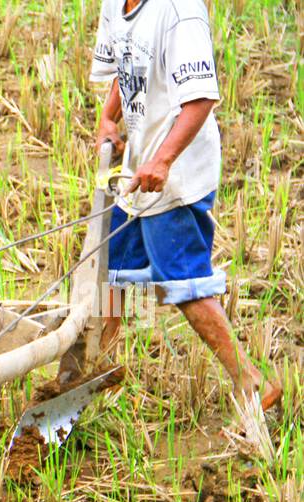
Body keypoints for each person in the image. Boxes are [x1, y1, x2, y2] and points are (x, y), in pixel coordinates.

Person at [87, 0, 281, 410]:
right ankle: (100, 372)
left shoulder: (180, 9)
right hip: (139, 165)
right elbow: (128, 67)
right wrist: (108, 118)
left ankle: (251, 381)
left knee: (184, 283)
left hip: (179, 172)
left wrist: (163, 161)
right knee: (112, 272)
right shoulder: (115, 4)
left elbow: (200, 100)